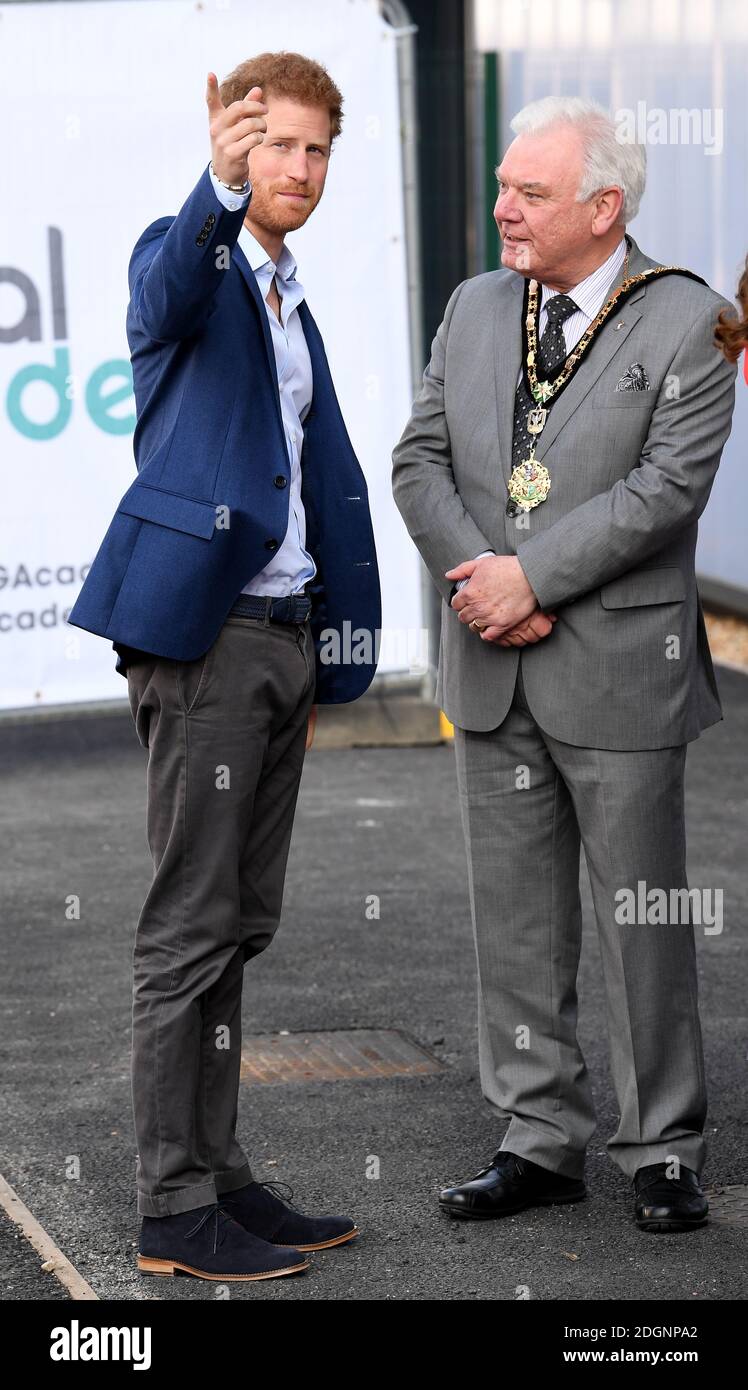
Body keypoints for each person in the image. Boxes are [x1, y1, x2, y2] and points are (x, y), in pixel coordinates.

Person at [392, 96, 738, 1234]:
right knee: (518, 919)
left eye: (527, 194)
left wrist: (526, 579)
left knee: (640, 912)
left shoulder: (687, 321)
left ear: (604, 206)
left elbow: (664, 492)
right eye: (500, 185)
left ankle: (661, 1146)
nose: (501, 210)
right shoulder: (477, 304)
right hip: (491, 659)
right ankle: (538, 1134)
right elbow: (420, 456)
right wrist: (478, 576)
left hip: (616, 669)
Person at [68, 51, 381, 1282]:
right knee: (188, 929)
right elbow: (159, 295)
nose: (295, 170)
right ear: (237, 150)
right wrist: (209, 181)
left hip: (279, 641)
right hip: (206, 644)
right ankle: (169, 1209)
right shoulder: (189, 264)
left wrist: (321, 651)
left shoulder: (291, 296)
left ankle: (221, 1174)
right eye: (275, 146)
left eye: (315, 151)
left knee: (238, 926)